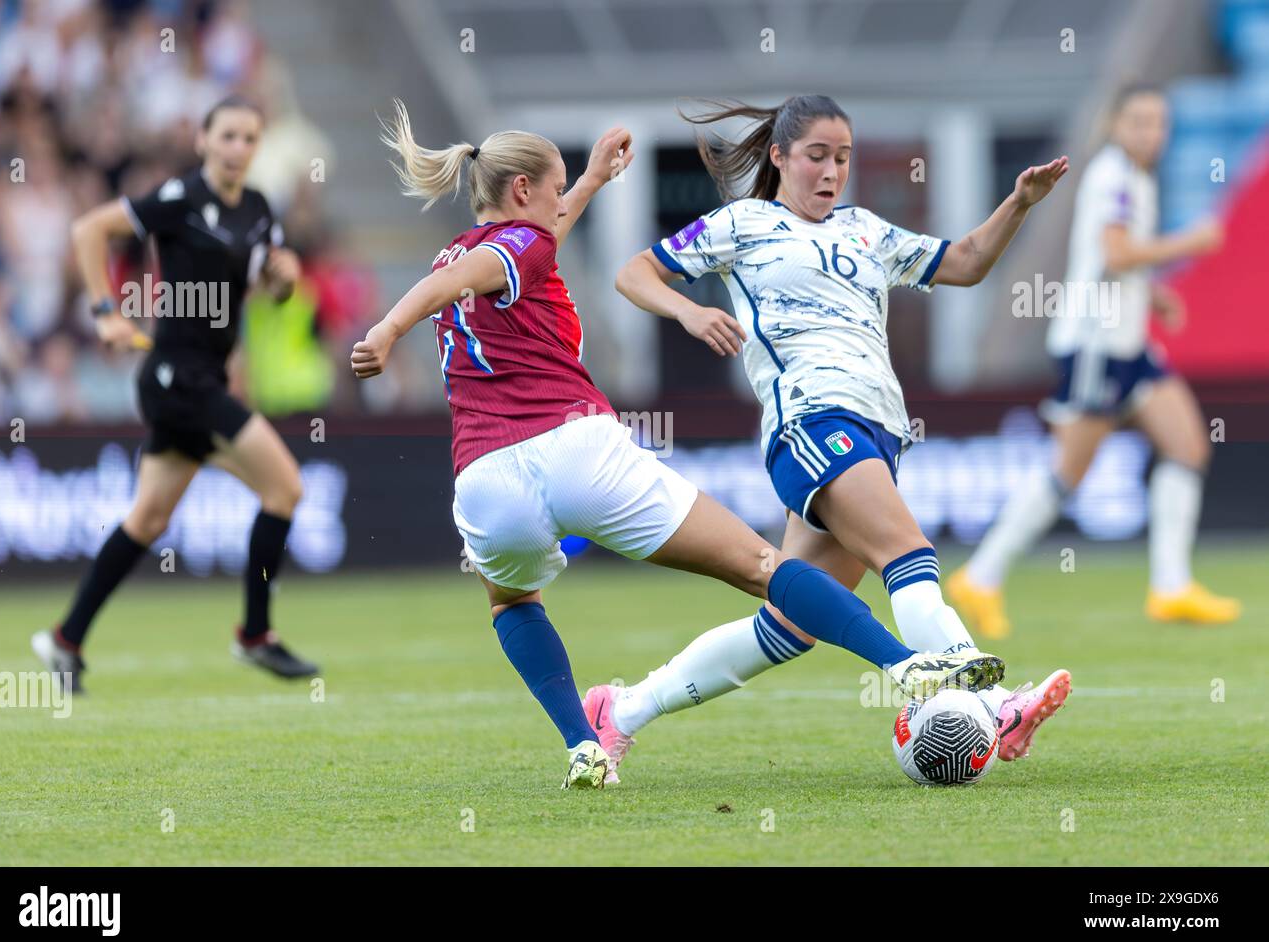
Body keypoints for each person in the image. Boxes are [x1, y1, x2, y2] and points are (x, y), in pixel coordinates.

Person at [350, 101, 1004, 790]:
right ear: (522, 192)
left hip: (484, 476)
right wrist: (387, 330)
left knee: (512, 605)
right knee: (759, 563)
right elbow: (490, 263)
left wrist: (593, 180)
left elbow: (493, 256)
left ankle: (584, 741)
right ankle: (904, 663)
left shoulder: (474, 248)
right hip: (576, 451)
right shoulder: (514, 249)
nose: (559, 203)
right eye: (555, 186)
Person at [594, 95, 1072, 782]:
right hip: (813, 423)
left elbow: (964, 262)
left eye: (842, 158)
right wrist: (690, 311)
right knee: (907, 554)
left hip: (877, 431)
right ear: (781, 157)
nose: (830, 171)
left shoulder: (866, 231)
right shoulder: (744, 223)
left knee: (788, 627)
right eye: (816, 155)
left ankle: (621, 709)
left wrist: (1020, 202)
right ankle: (994, 703)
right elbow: (634, 271)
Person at [31, 94, 317, 693]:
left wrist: (285, 281)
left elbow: (271, 283)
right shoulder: (179, 198)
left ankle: (65, 639)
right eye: (228, 136)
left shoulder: (260, 209)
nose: (238, 148)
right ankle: (255, 636)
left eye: (249, 138)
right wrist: (106, 311)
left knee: (148, 517)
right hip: (173, 379)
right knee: (285, 487)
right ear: (204, 141)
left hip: (205, 379)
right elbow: (90, 231)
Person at [948, 84, 1237, 637]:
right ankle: (981, 574)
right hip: (1095, 347)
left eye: (1158, 122)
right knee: (1068, 472)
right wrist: (1191, 243)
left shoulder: (1135, 178)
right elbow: (1116, 252)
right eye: (1139, 122)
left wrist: (1151, 294)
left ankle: (1171, 586)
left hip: (1128, 345)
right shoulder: (1113, 177)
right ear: (1115, 124)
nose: (1150, 133)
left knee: (1187, 445)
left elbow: (1115, 261)